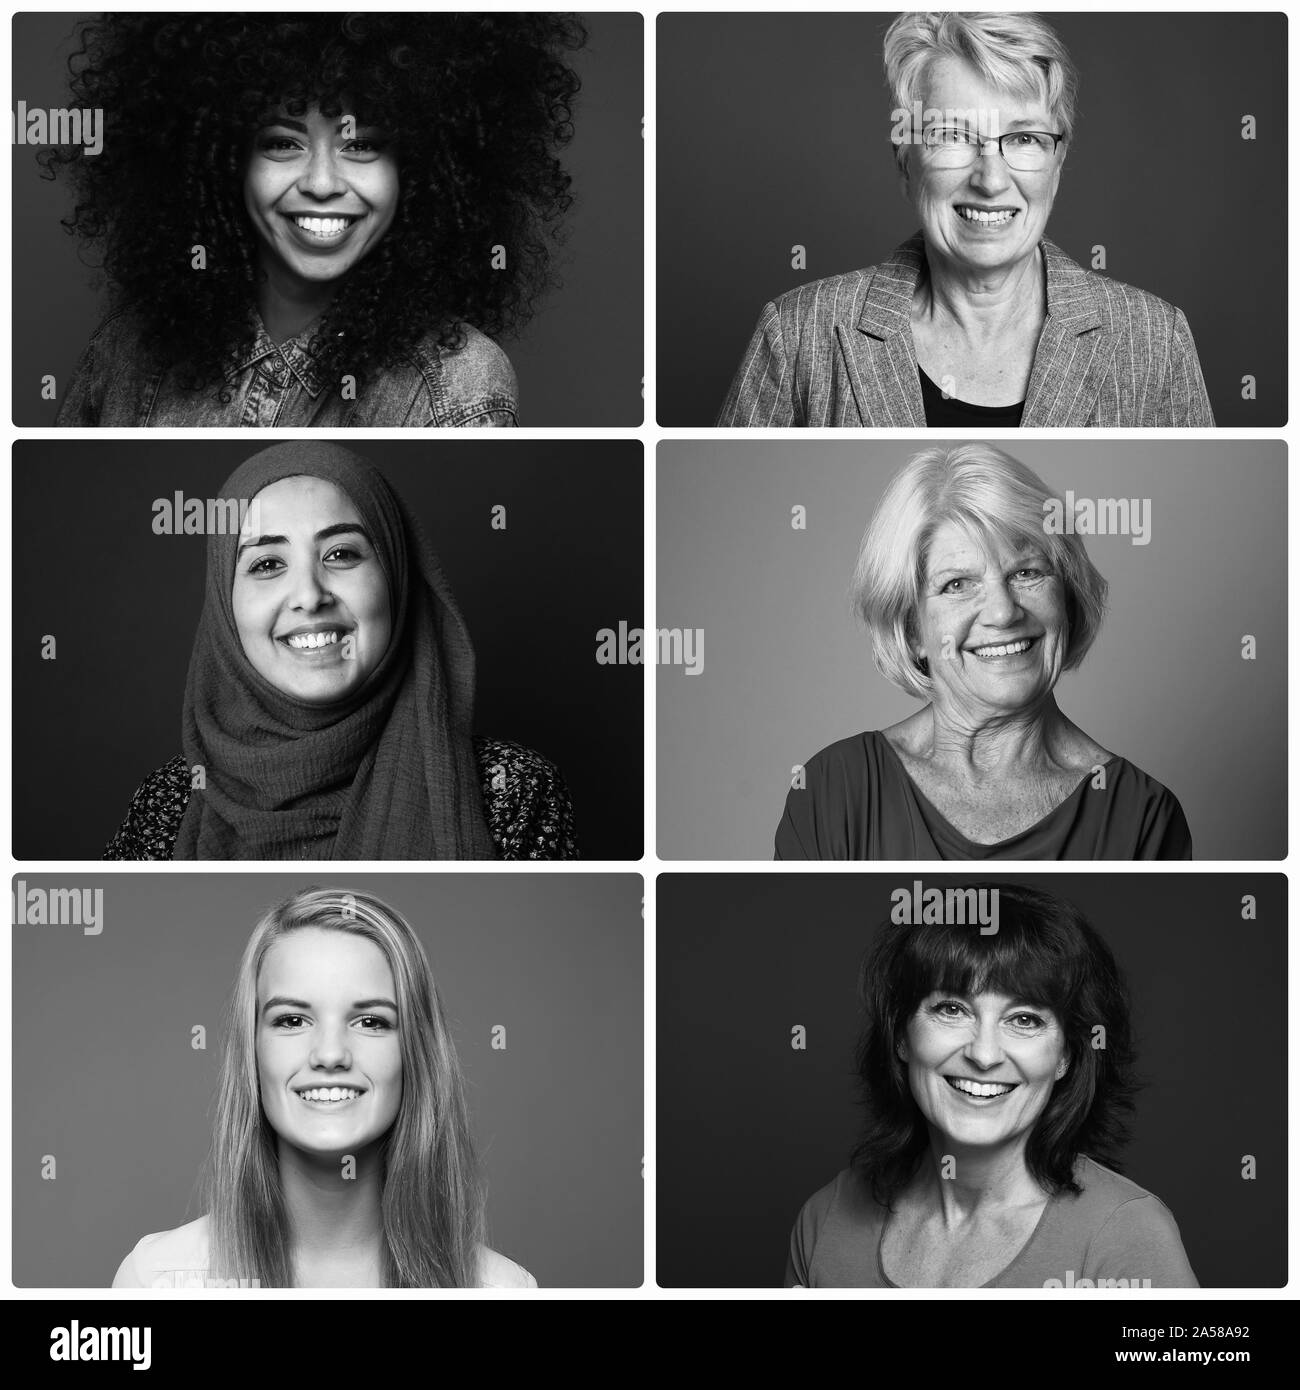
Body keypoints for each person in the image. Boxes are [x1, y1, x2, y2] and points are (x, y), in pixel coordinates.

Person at [42, 13, 584, 426]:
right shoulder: (124, 352)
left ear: (421, 173)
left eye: (363, 145)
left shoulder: (459, 384)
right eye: (283, 143)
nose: (322, 183)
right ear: (219, 162)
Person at [719, 11, 1213, 427]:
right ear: (905, 162)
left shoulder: (1155, 342)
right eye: (953, 135)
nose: (991, 179)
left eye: (1024, 139)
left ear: (1056, 165)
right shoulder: (797, 335)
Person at [105, 442, 576, 860]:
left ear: (394, 577)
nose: (309, 595)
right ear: (224, 607)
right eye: (268, 564)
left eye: (341, 554)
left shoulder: (509, 790)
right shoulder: (169, 799)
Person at [775, 444, 1191, 860]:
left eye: (1027, 573)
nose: (1002, 611)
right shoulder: (833, 792)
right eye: (957, 584)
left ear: (1066, 596)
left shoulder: (1142, 817)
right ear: (912, 627)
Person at [113, 887, 535, 1288]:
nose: (330, 1054)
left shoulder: (503, 1289)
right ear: (253, 1053)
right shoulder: (156, 1280)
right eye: (292, 1021)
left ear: (415, 1055)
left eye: (371, 1022)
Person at [787, 884, 1197, 1288]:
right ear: (901, 1036)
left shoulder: (1125, 1234)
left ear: (1066, 1057)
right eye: (952, 1009)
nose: (984, 1055)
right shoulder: (826, 1219)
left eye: (1024, 1020)